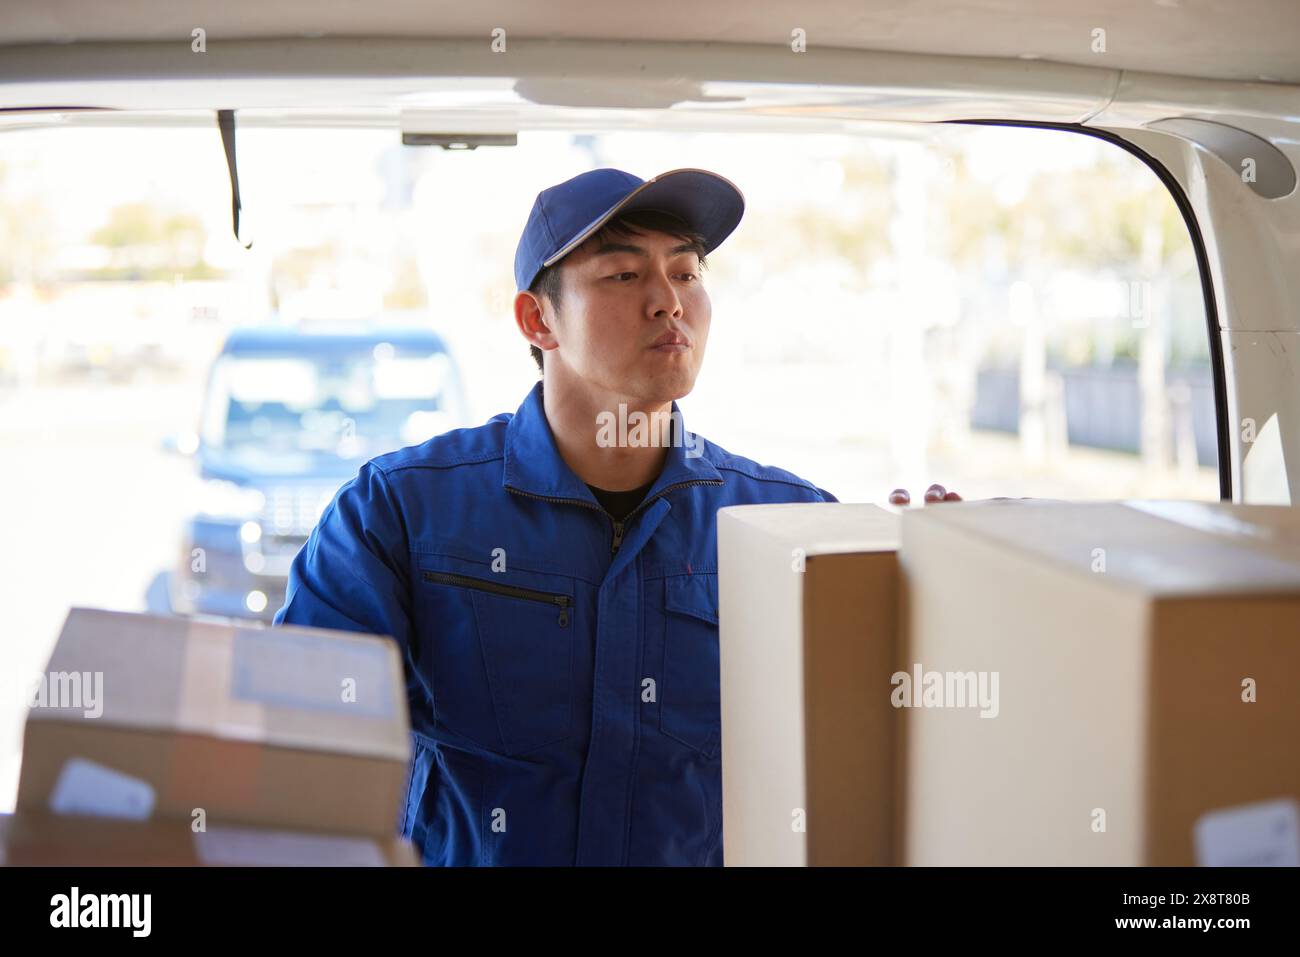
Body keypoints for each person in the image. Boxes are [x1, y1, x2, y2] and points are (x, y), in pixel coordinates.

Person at [274, 166, 959, 865]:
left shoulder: (788, 523)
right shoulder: (399, 510)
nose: (669, 302)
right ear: (539, 319)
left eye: (688, 273)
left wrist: (950, 588)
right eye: (624, 276)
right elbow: (297, 758)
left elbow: (889, 751)